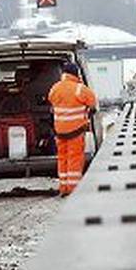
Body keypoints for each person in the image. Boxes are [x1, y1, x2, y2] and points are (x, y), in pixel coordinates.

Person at [47, 61, 97, 197]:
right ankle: (73, 189)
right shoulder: (80, 89)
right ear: (76, 73)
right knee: (74, 159)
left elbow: (51, 101)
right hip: (75, 130)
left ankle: (63, 187)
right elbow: (93, 104)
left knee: (62, 158)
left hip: (59, 131)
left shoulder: (55, 88)